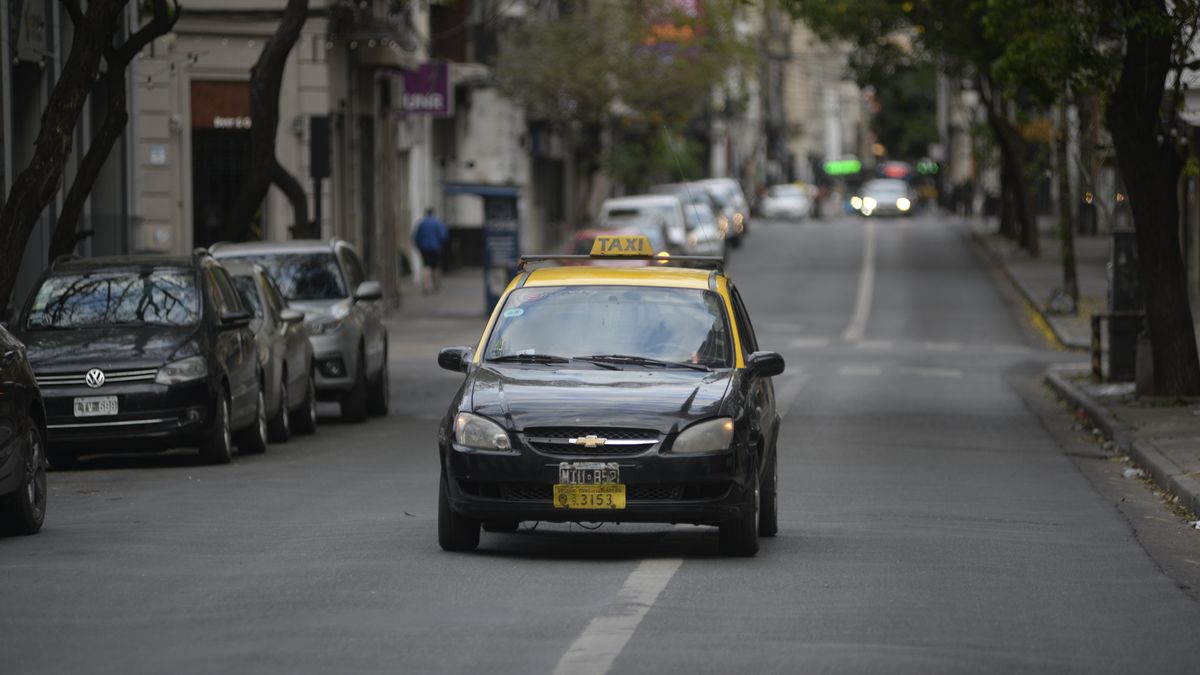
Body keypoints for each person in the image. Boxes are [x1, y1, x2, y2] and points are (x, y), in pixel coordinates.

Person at [413, 207, 449, 292]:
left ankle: (426, 286)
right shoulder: (437, 222)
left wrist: (419, 246)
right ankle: (436, 284)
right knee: (435, 266)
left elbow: (416, 237)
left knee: (426, 266)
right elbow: (443, 235)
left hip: (424, 248)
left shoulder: (422, 223)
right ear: (433, 213)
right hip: (435, 247)